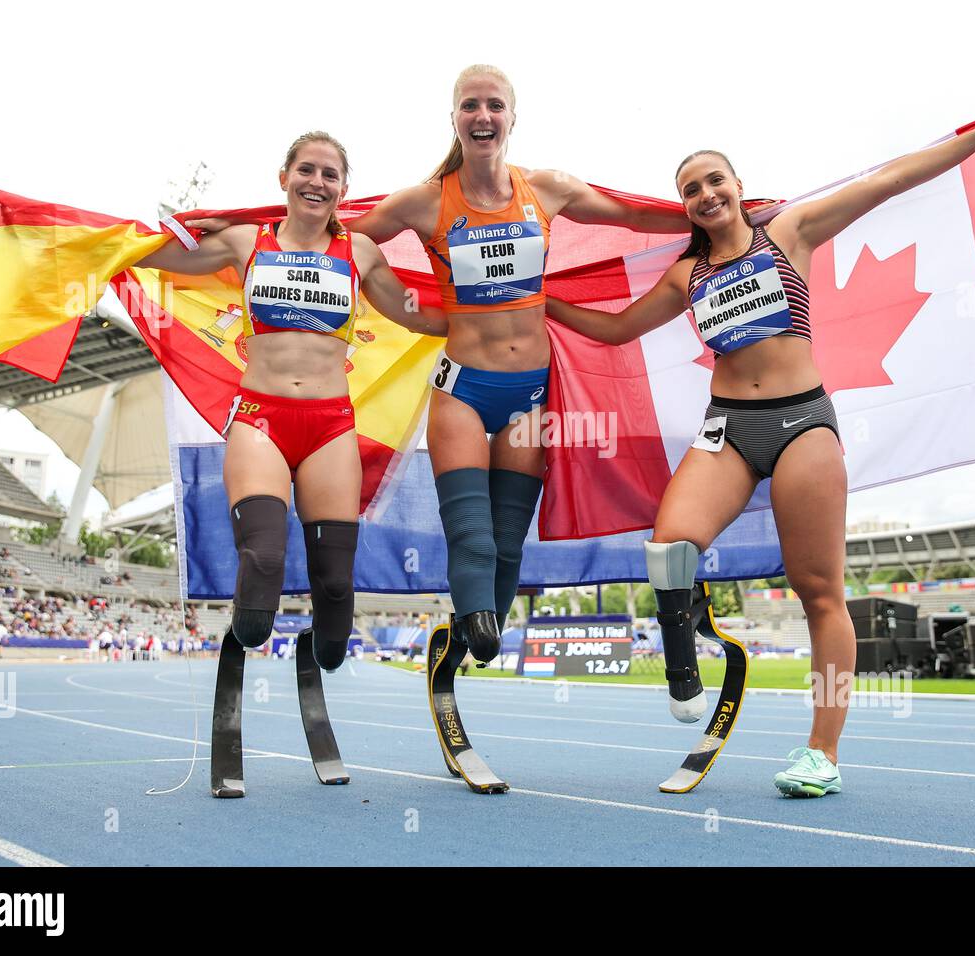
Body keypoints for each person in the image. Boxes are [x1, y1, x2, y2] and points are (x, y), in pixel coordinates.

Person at [546, 110, 975, 797]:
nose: (705, 194)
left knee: (819, 591)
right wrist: (545, 304)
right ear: (684, 206)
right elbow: (620, 327)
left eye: (714, 180)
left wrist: (974, 141)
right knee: (669, 545)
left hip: (801, 421)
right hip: (728, 426)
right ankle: (682, 662)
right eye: (690, 189)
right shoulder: (687, 276)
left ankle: (820, 753)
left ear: (738, 185)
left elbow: (888, 180)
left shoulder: (789, 233)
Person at [291, 65, 687, 665]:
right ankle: (473, 619)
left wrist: (717, 219)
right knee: (472, 532)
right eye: (470, 105)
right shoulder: (425, 202)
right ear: (454, 118)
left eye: (494, 106)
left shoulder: (548, 189)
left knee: (507, 537)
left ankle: (476, 634)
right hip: (462, 388)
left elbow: (630, 218)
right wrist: (409, 311)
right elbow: (338, 242)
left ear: (511, 118)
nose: (483, 116)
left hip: (531, 393)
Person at [140, 130, 448, 671]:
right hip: (261, 418)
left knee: (333, 591)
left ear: (343, 189)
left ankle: (321, 648)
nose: (317, 181)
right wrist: (133, 237)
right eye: (306, 170)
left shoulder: (359, 252)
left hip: (330, 426)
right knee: (263, 559)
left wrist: (495, 316)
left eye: (330, 175)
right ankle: (249, 625)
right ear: (284, 178)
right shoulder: (245, 242)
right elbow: (160, 258)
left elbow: (412, 311)